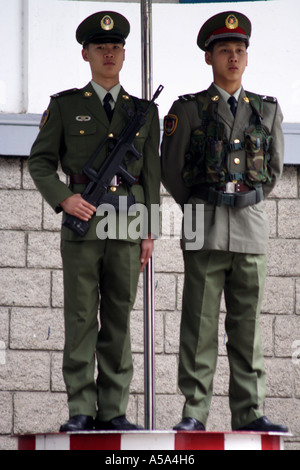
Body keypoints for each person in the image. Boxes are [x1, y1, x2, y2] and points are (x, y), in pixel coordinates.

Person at [28, 11, 161, 432]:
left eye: (117, 47)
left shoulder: (142, 112)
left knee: (119, 320)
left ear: (124, 54)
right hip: (83, 229)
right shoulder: (66, 106)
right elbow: (40, 162)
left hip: (126, 228)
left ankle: (114, 411)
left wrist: (149, 231)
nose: (110, 53)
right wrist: (65, 198)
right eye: (101, 47)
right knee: (82, 318)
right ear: (85, 53)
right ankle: (82, 410)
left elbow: (152, 176)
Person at [161, 11, 288, 433]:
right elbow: (172, 170)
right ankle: (194, 412)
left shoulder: (266, 110)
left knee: (247, 328)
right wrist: (204, 203)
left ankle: (250, 412)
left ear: (246, 58)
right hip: (203, 221)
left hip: (250, 227)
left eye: (239, 51)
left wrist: (242, 200)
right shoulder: (190, 109)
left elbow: (273, 169)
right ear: (209, 58)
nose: (233, 58)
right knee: (198, 325)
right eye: (224, 51)